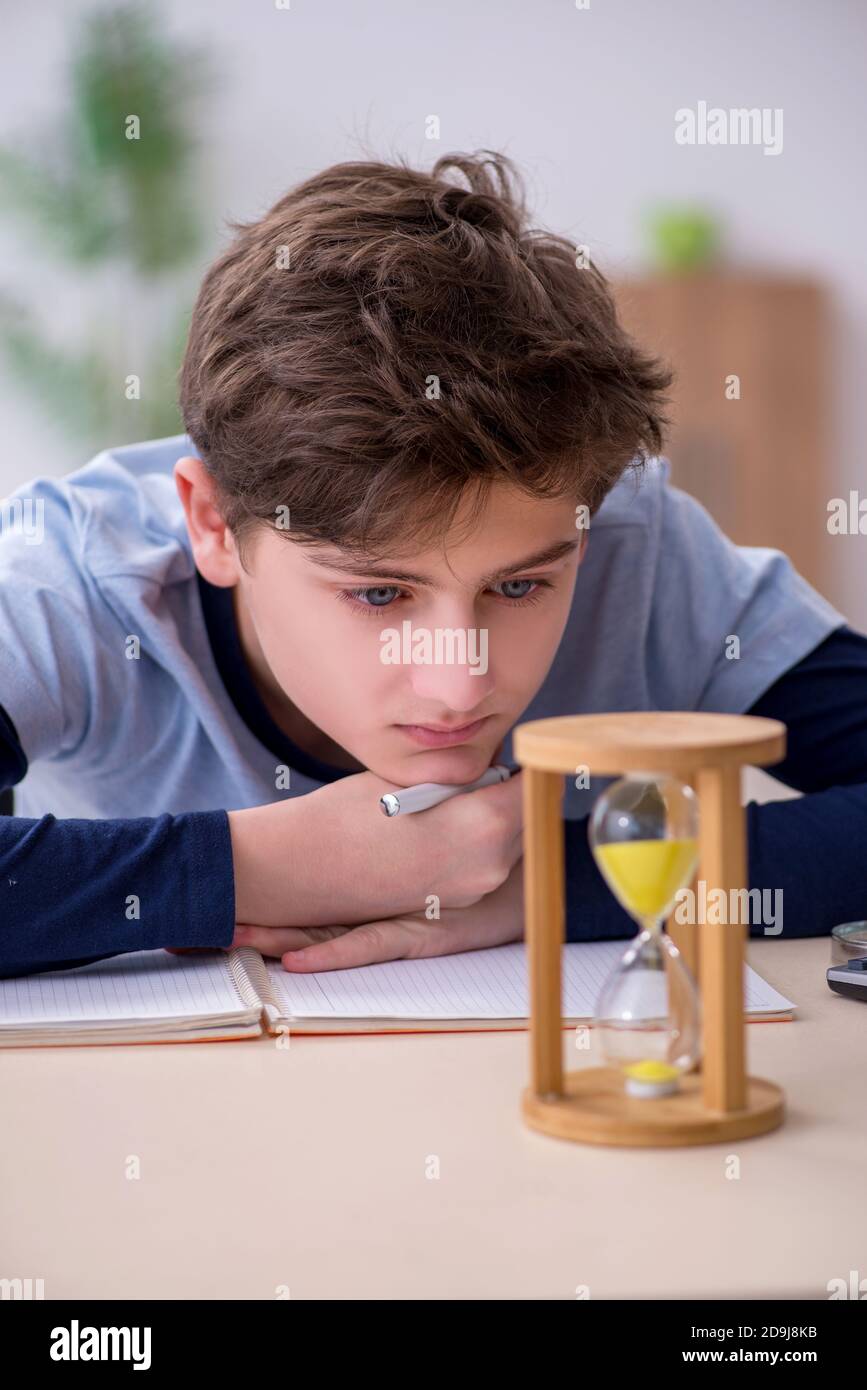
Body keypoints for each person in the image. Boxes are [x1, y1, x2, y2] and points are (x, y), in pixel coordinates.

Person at [1, 151, 863, 980]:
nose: (458, 689)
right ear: (213, 526)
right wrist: (261, 867)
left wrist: (537, 886)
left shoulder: (630, 536)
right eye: (378, 592)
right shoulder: (67, 576)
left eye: (520, 585)